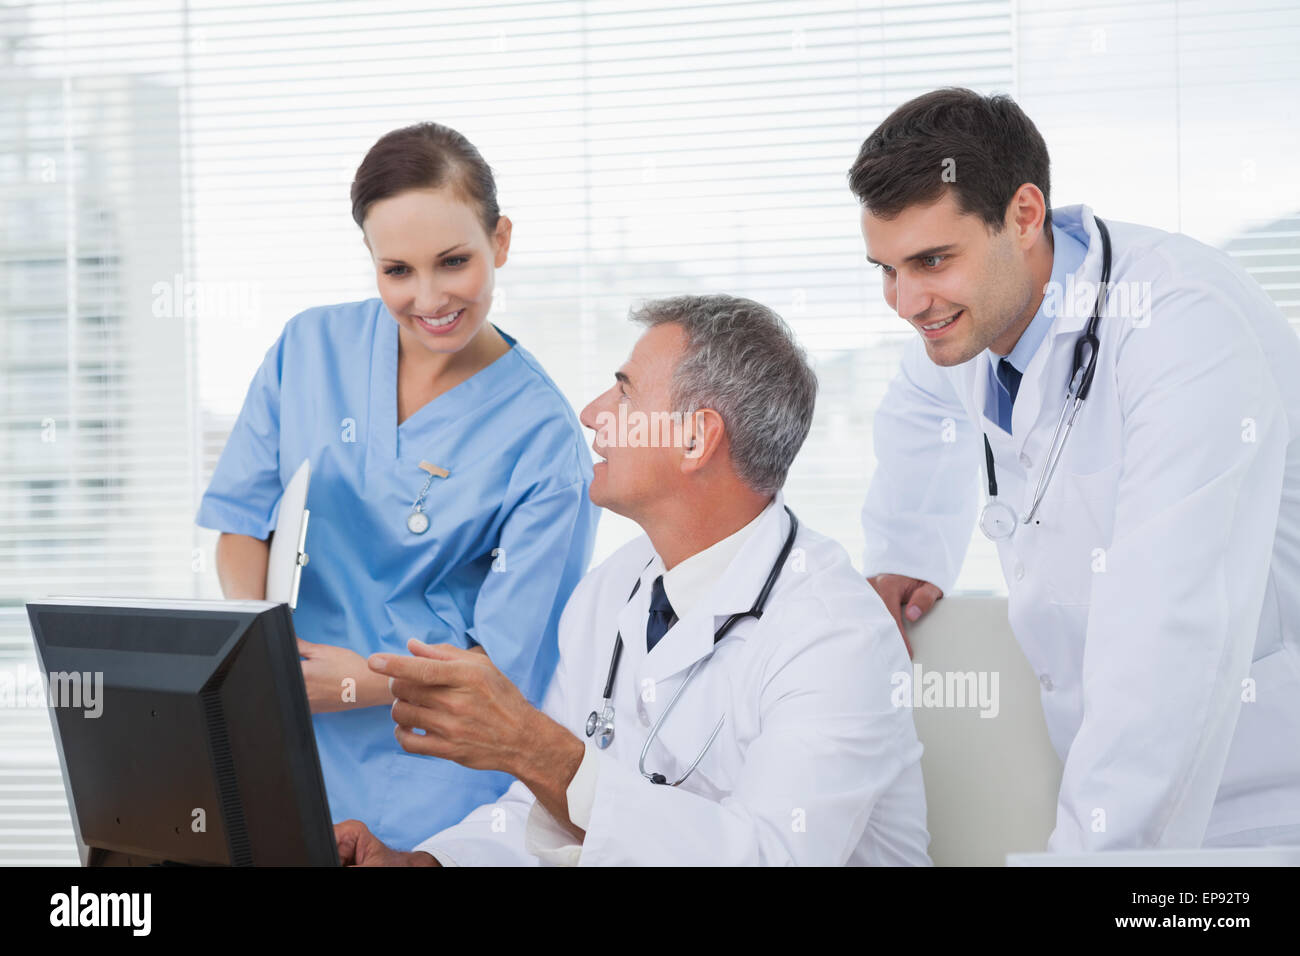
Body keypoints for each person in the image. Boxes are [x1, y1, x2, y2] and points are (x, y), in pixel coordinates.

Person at [332, 294, 933, 865]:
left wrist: (532, 747)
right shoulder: (612, 587)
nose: (592, 413)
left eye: (623, 394)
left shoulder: (835, 633)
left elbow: (770, 856)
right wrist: (431, 861)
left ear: (696, 438)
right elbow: (538, 813)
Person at [852, 87, 1300, 851]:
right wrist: (905, 554)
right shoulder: (968, 320)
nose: (905, 301)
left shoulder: (1181, 324)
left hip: (1266, 789)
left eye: (931, 260)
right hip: (1117, 774)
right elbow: (919, 414)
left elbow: (1169, 628)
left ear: (1024, 216)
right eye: (886, 269)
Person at [196, 122, 599, 850]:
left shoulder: (545, 439)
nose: (430, 298)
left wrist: (362, 681)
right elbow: (240, 520)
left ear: (500, 241)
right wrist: (268, 651)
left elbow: (509, 660)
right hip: (292, 731)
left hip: (435, 764)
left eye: (454, 262)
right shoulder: (309, 348)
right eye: (398, 271)